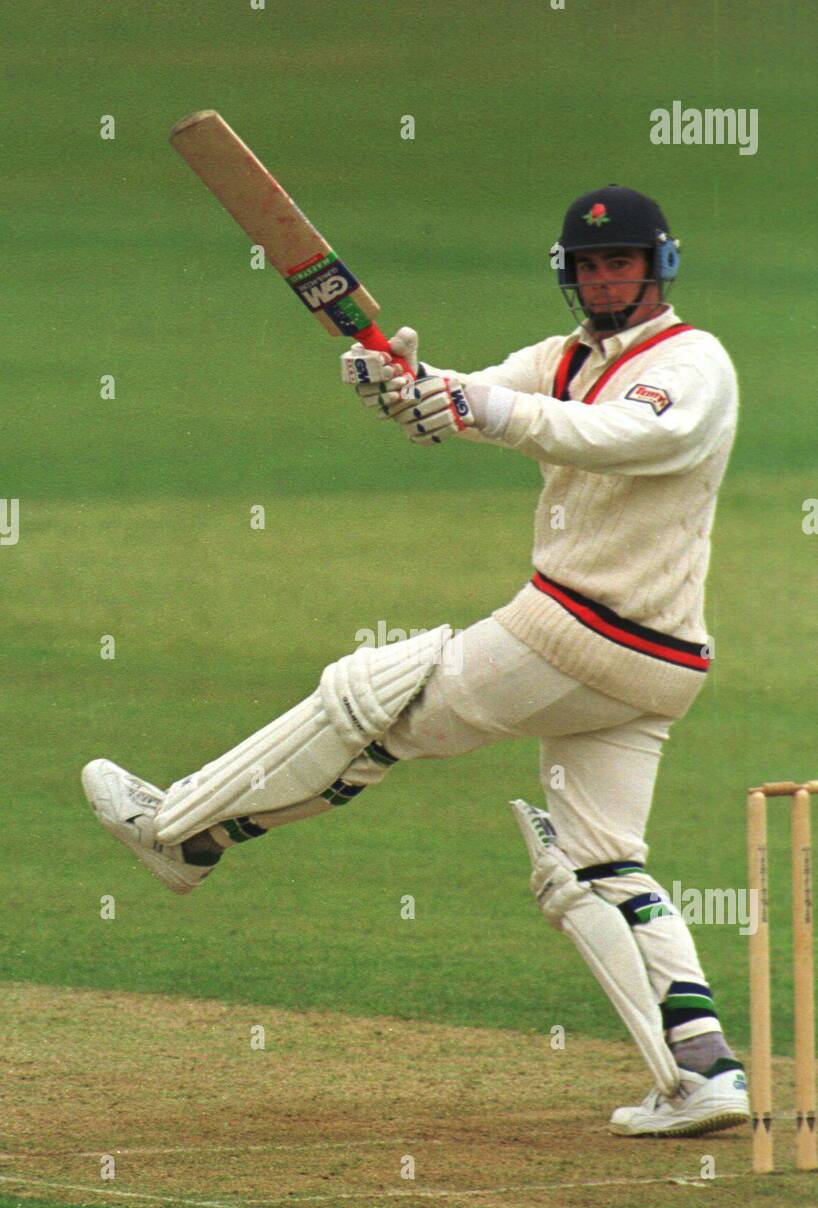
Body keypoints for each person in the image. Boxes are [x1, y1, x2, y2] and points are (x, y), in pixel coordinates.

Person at [82, 184, 748, 1139]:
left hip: (588, 631)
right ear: (572, 276)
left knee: (373, 698)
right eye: (592, 266)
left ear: (659, 267)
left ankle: (187, 831)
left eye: (623, 263)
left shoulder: (691, 363)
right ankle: (703, 1071)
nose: (606, 280)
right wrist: (402, 384)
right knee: (601, 866)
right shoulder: (563, 358)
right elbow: (465, 395)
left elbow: (630, 438)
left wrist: (477, 404)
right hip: (648, 661)